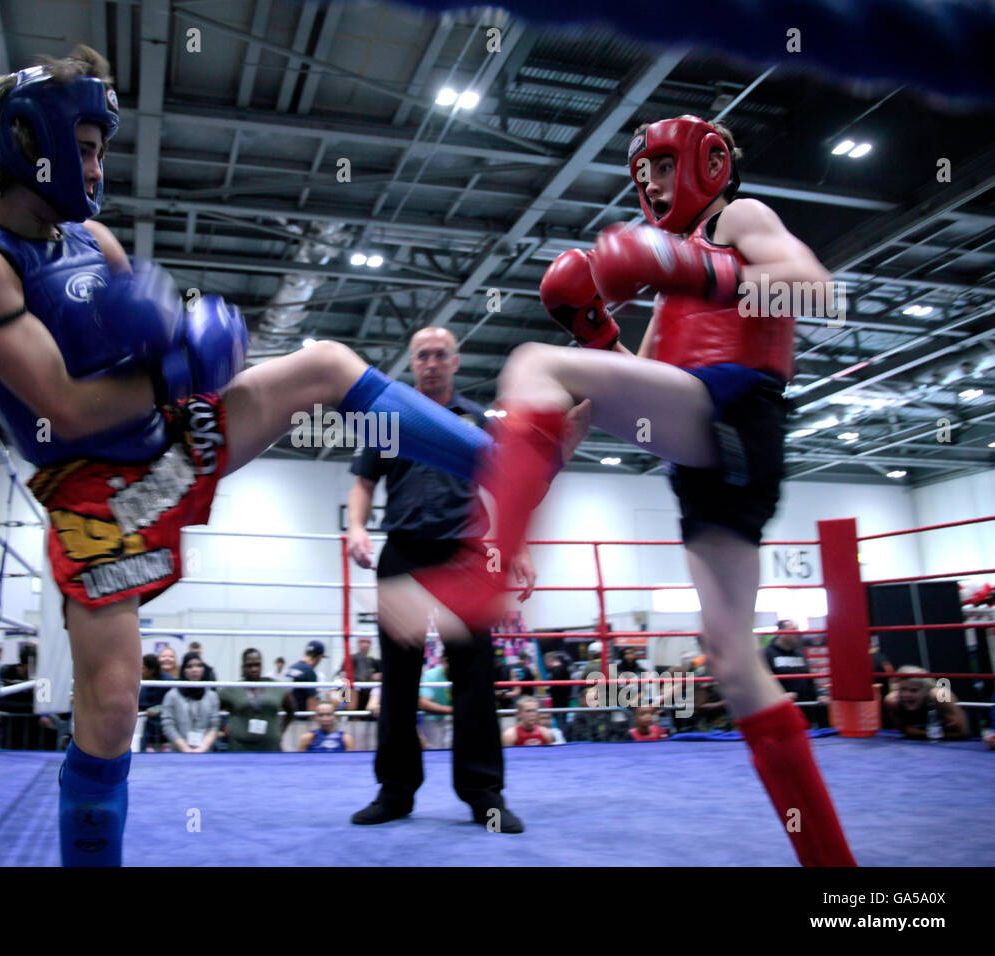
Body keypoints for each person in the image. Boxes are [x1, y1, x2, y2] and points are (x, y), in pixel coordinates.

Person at [0, 47, 496, 866]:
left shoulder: (91, 239)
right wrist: (179, 366)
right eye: (86, 145)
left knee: (326, 365)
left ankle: (501, 459)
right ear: (28, 143)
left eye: (101, 147)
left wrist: (192, 346)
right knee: (110, 702)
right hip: (98, 495)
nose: (96, 165)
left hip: (167, 446)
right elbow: (61, 406)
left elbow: (158, 355)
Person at [380, 116, 857, 866]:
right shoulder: (675, 281)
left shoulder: (739, 217)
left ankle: (482, 572)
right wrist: (598, 334)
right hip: (709, 461)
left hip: (737, 411)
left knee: (535, 362)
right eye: (642, 173)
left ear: (711, 161)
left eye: (665, 166)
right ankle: (839, 876)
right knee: (733, 665)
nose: (651, 183)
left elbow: (818, 292)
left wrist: (698, 268)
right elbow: (630, 390)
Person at [346, 326, 535, 833]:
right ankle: (395, 792)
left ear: (455, 361)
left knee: (474, 679)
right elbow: (364, 483)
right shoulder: (388, 419)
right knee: (399, 680)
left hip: (465, 557)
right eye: (422, 355)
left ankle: (484, 795)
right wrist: (357, 527)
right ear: (413, 363)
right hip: (403, 554)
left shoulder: (478, 422)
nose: (430, 362)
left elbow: (506, 490)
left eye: (439, 355)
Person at [220, 649, 293, 752]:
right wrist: (224, 728)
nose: (254, 669)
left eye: (257, 665)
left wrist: (281, 731)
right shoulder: (232, 689)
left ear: (262, 666)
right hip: (239, 749)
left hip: (271, 748)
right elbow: (212, 709)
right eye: (249, 665)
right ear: (242, 667)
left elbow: (291, 709)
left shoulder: (275, 686)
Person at [764, 625, 826, 727]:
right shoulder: (767, 654)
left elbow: (809, 679)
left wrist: (819, 695)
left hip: (805, 711)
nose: (797, 634)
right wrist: (778, 696)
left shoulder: (799, 654)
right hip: (781, 713)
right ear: (781, 633)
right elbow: (763, 683)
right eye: (793, 630)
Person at [883, 666, 968, 740]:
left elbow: (963, 733)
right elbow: (906, 732)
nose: (906, 695)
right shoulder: (892, 701)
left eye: (913, 690)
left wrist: (919, 733)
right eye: (903, 689)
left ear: (926, 690)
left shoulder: (940, 696)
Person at [161, 655, 221, 754]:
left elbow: (214, 725)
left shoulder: (212, 696)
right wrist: (185, 748)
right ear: (183, 670)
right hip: (178, 753)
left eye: (198, 665)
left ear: (203, 669)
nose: (194, 670)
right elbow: (168, 725)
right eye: (190, 666)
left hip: (206, 753)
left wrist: (203, 748)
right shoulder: (171, 695)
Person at [337, 636, 381, 713]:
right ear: (358, 643)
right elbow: (342, 677)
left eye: (368, 642)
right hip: (353, 692)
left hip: (368, 694)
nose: (365, 645)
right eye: (362, 642)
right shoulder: (350, 658)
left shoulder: (374, 661)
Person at [285, 641, 324, 718]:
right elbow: (311, 703)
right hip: (300, 718)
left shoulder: (292, 668)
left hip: (287, 716)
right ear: (319, 657)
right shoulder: (309, 672)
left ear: (305, 652)